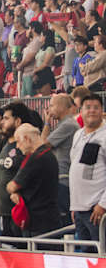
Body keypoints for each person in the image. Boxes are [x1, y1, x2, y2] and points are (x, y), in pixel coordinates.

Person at [7, 124, 60, 242]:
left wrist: (14, 191)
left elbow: (12, 186)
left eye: (18, 141)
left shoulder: (35, 159)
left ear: (27, 139)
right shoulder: (50, 155)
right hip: (49, 218)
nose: (17, 146)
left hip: (37, 223)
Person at [69, 92, 106, 250]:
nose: (92, 111)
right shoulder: (78, 134)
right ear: (81, 111)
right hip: (79, 209)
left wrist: (103, 204)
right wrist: (74, 206)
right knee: (86, 256)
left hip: (97, 210)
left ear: (102, 111)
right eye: (88, 107)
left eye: (96, 107)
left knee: (101, 254)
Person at [42, 93, 79, 224]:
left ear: (61, 107)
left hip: (63, 179)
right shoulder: (63, 124)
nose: (49, 109)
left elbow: (42, 145)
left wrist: (47, 122)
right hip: (60, 179)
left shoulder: (67, 125)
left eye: (52, 106)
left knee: (63, 221)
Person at [0, 102, 29, 238]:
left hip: (19, 211)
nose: (2, 122)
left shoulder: (24, 146)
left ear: (18, 121)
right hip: (4, 211)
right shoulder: (6, 144)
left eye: (6, 118)